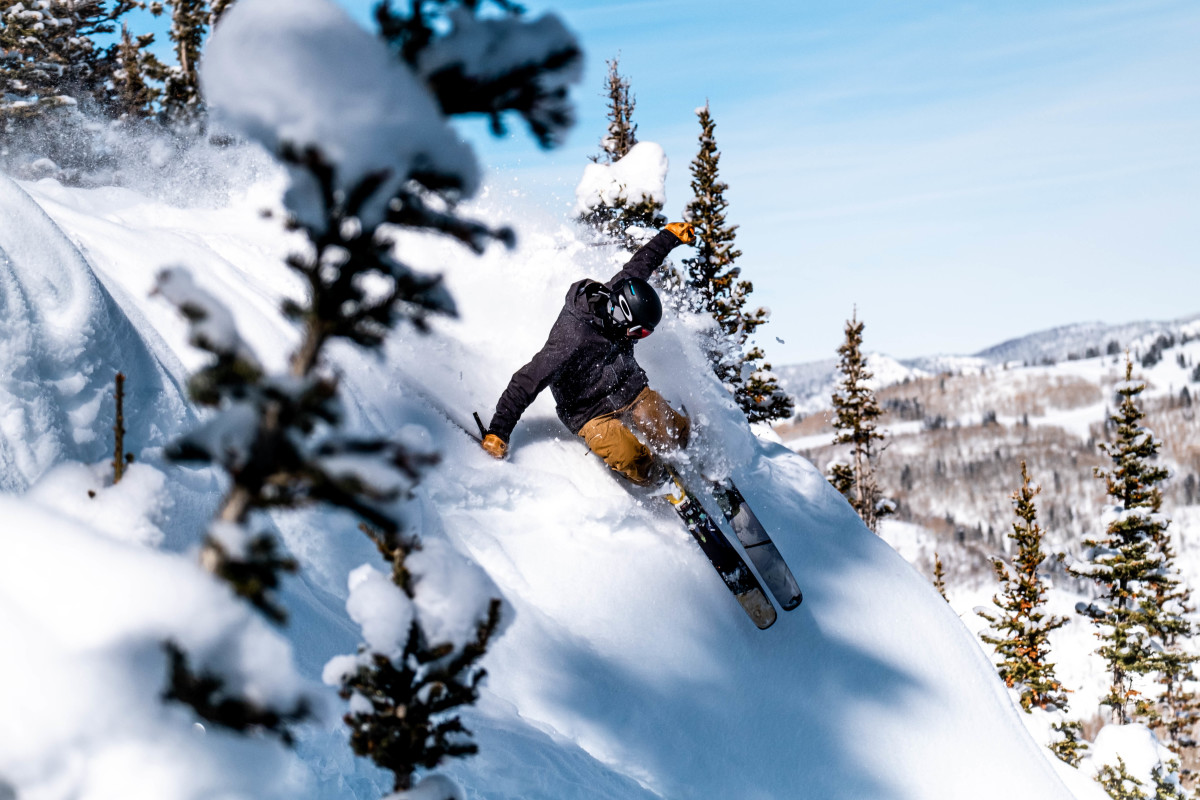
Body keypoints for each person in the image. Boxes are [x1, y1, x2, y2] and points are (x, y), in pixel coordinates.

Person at [481, 223, 696, 486]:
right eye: (639, 333)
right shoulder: (572, 339)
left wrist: (670, 236)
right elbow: (527, 380)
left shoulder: (617, 294)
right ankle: (658, 481)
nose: (638, 338)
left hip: (631, 389)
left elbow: (641, 264)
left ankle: (689, 447)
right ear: (622, 317)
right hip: (590, 412)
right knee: (632, 458)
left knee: (671, 433)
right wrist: (498, 431)